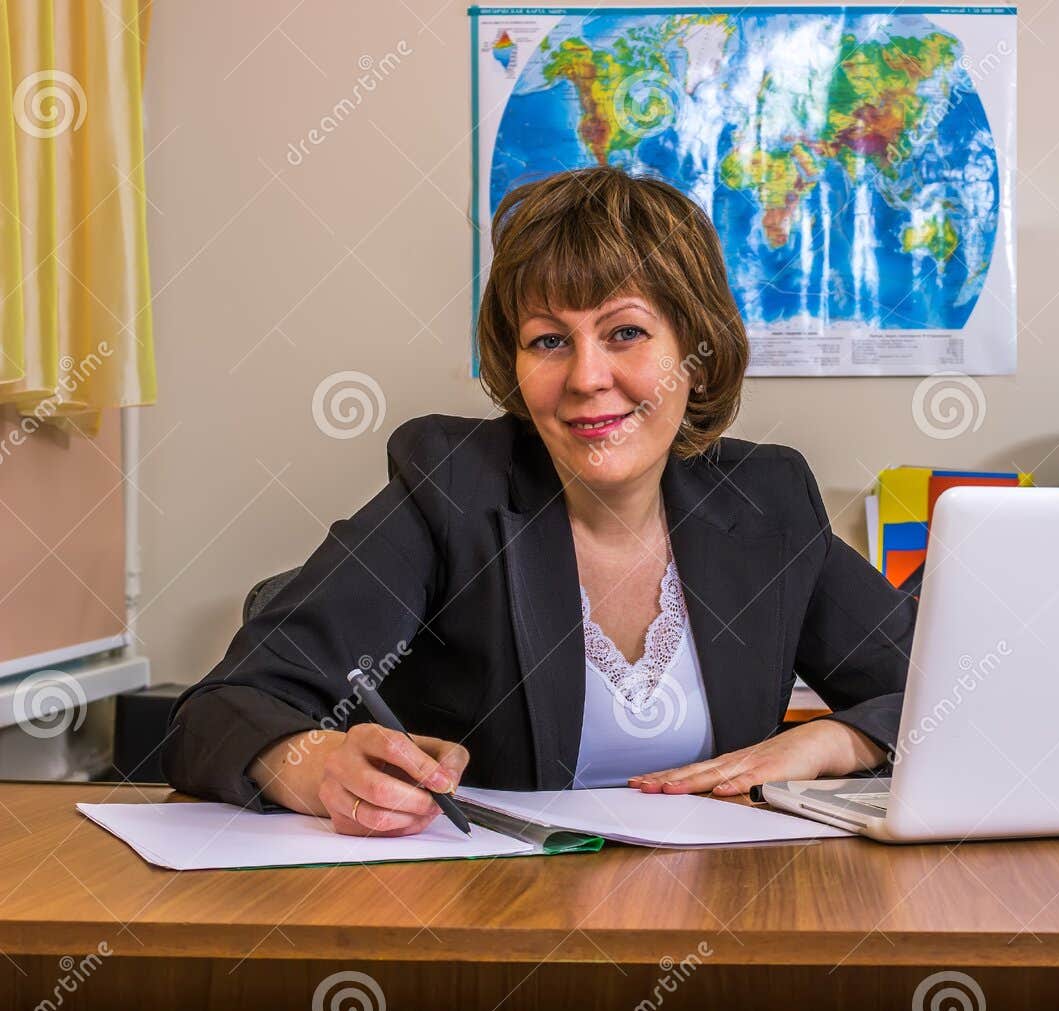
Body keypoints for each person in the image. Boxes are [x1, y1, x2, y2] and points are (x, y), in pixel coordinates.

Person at [163, 166, 917, 837]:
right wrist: (321, 763)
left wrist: (839, 740)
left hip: (721, 920)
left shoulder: (766, 502)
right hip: (492, 928)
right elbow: (221, 708)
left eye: (625, 332)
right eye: (549, 341)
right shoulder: (451, 488)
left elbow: (947, 690)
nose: (587, 376)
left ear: (697, 350)